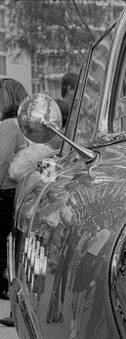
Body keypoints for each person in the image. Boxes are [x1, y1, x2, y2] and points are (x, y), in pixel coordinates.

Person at [0, 77, 30, 300]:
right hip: (19, 191)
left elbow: (2, 160)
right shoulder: (22, 125)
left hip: (5, 191)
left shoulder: (8, 125)